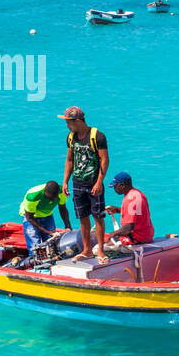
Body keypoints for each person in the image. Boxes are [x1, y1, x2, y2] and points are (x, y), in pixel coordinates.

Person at [58, 106, 109, 263]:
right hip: (78, 183)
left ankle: (100, 249)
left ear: (78, 121)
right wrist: (65, 181)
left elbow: (104, 160)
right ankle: (87, 250)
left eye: (69, 122)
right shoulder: (71, 137)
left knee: (98, 216)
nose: (67, 125)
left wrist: (99, 182)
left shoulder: (97, 136)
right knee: (82, 217)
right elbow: (70, 160)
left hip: (94, 183)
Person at [19, 180, 72, 253]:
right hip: (31, 216)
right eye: (50, 198)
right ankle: (35, 260)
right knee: (35, 244)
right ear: (45, 192)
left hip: (47, 215)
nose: (53, 200)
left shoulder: (61, 192)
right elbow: (30, 217)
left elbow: (63, 208)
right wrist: (47, 232)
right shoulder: (33, 196)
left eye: (54, 197)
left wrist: (67, 226)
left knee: (52, 243)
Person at [104, 172, 154, 246]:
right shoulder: (137, 193)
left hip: (137, 237)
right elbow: (136, 213)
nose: (114, 189)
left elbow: (129, 228)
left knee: (103, 240)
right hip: (147, 234)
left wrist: (114, 233)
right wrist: (117, 210)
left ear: (122, 185)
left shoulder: (130, 199)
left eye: (115, 186)